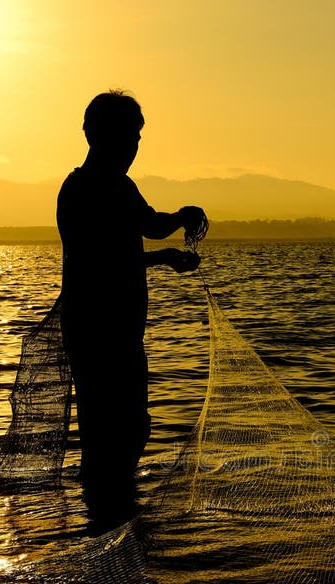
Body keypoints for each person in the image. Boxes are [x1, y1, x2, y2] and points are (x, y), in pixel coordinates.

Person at [57, 90, 207, 529]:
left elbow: (151, 225)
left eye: (137, 137)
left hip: (123, 333)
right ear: (94, 135)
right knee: (109, 436)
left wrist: (182, 216)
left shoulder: (121, 187)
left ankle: (112, 518)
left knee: (131, 429)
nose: (133, 146)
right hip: (93, 331)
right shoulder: (82, 189)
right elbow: (97, 262)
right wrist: (163, 258)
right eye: (126, 136)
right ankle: (106, 528)